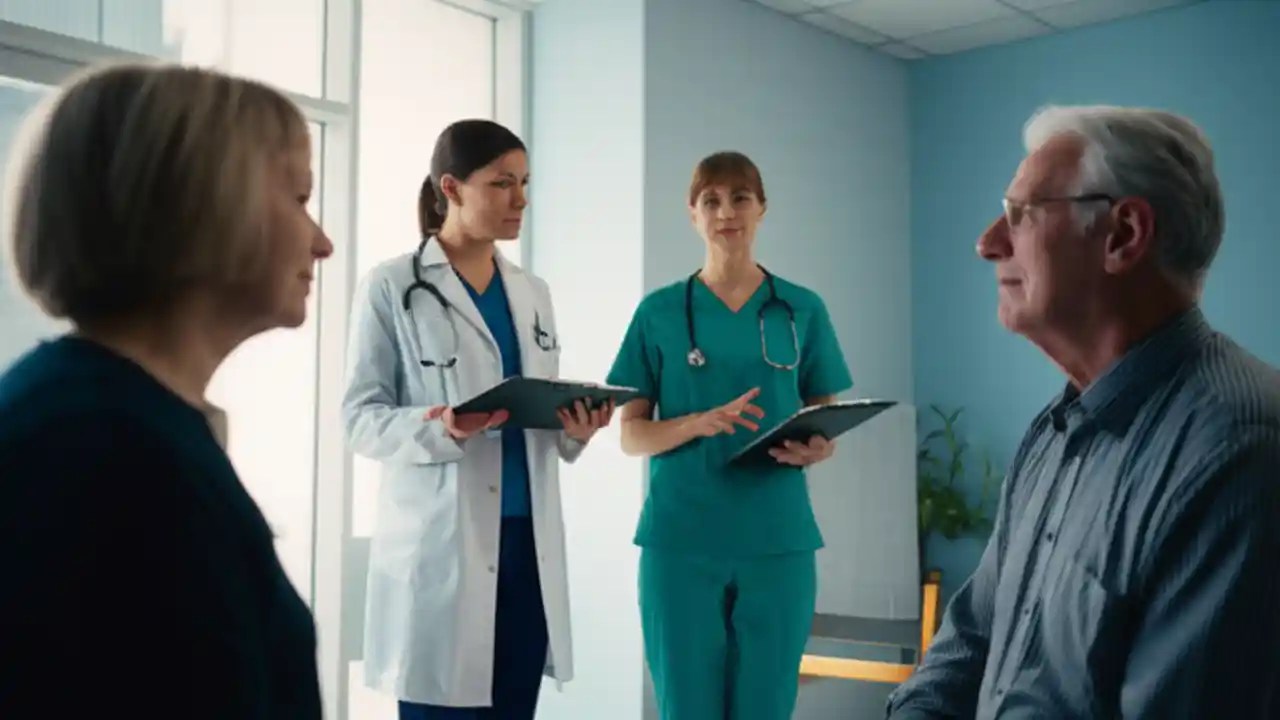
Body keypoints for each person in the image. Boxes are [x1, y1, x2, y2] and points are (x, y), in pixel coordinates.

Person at [886, 105, 1280, 719]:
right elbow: (970, 643)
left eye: (1021, 214)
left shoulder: (1239, 452)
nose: (988, 243)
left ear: (1123, 235)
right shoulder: (1054, 430)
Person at [0, 63, 333, 717]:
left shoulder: (107, 419)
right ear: (207, 205)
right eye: (299, 198)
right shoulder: (103, 452)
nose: (321, 243)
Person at [341, 118, 613, 719]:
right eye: (501, 183)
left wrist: (575, 429)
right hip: (444, 548)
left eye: (525, 183)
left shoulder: (532, 292)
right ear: (452, 188)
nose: (521, 199)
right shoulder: (392, 285)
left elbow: (539, 415)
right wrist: (439, 427)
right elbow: (359, 417)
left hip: (527, 549)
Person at [606, 151, 854, 719]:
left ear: (762, 208)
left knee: (767, 706)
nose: (726, 212)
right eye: (711, 200)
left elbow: (825, 419)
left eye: (740, 198)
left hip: (777, 540)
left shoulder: (802, 309)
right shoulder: (659, 313)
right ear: (692, 213)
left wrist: (818, 448)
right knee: (686, 708)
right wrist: (696, 422)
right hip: (681, 542)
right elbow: (631, 436)